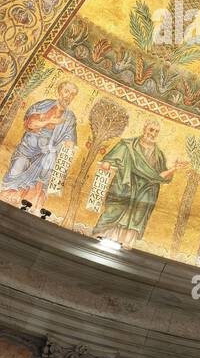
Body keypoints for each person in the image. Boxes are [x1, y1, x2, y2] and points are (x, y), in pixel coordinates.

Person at [92, 119, 187, 248]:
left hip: (145, 193)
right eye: (151, 130)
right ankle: (102, 235)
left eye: (156, 132)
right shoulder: (127, 145)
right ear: (144, 129)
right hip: (125, 187)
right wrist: (107, 162)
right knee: (114, 211)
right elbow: (110, 158)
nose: (153, 134)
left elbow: (159, 177)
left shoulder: (158, 155)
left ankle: (126, 243)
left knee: (136, 218)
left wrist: (174, 169)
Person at [1, 79, 78, 210]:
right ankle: (6, 197)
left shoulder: (70, 118)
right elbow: (29, 124)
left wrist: (66, 145)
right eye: (66, 91)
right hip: (27, 149)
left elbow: (70, 139)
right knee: (17, 168)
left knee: (46, 169)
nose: (68, 96)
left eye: (72, 94)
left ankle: (30, 203)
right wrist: (48, 121)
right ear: (59, 91)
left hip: (47, 155)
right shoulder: (43, 105)